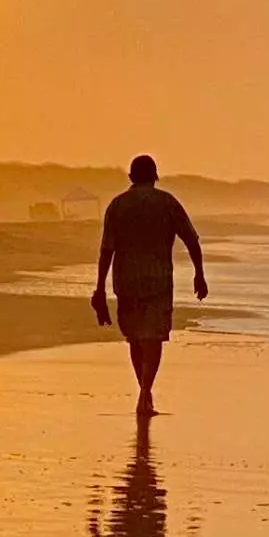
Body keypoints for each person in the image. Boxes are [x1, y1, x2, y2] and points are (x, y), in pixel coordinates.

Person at [91, 154, 207, 419]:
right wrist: (199, 274)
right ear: (155, 176)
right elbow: (192, 240)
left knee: (135, 338)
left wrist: (99, 289)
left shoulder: (117, 206)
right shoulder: (167, 203)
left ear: (131, 177)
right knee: (153, 337)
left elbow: (106, 251)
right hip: (158, 281)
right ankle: (145, 392)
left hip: (126, 281)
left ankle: (144, 391)